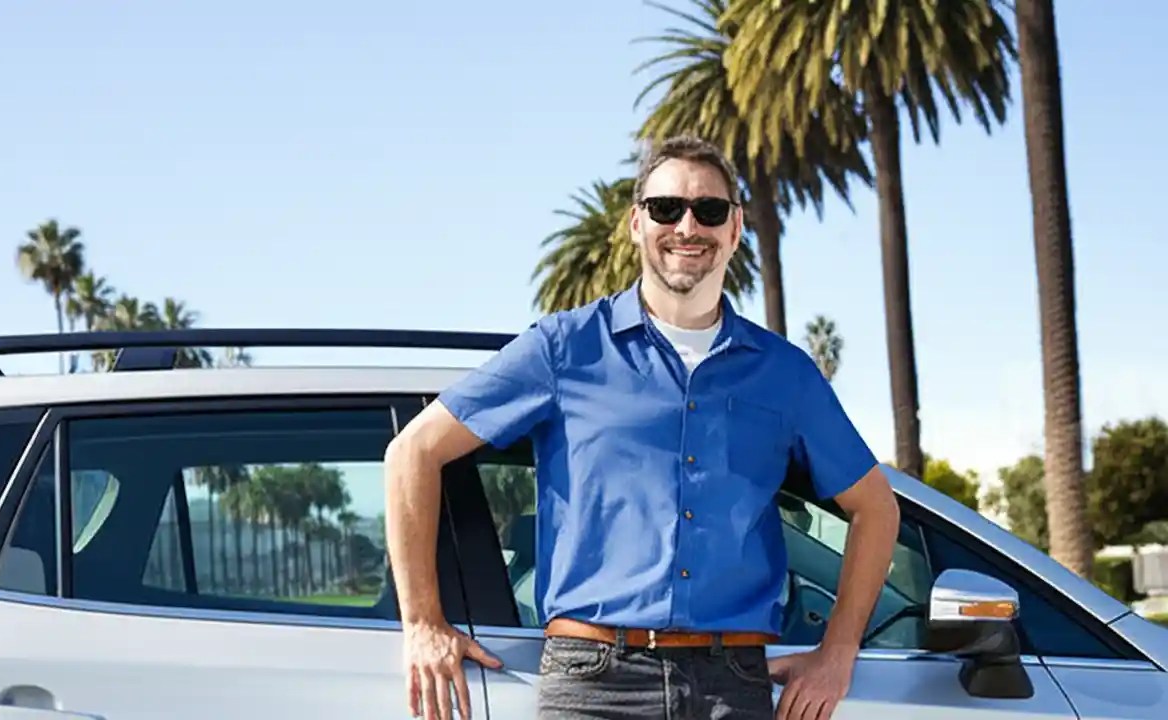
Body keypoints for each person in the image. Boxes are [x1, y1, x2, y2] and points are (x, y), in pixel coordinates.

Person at [383, 135, 901, 720]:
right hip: (591, 680)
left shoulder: (786, 376)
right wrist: (421, 622)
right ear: (636, 223)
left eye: (709, 211)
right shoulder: (564, 349)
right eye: (666, 208)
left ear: (734, 231)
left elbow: (877, 508)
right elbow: (413, 452)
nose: (687, 226)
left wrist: (837, 652)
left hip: (732, 686)